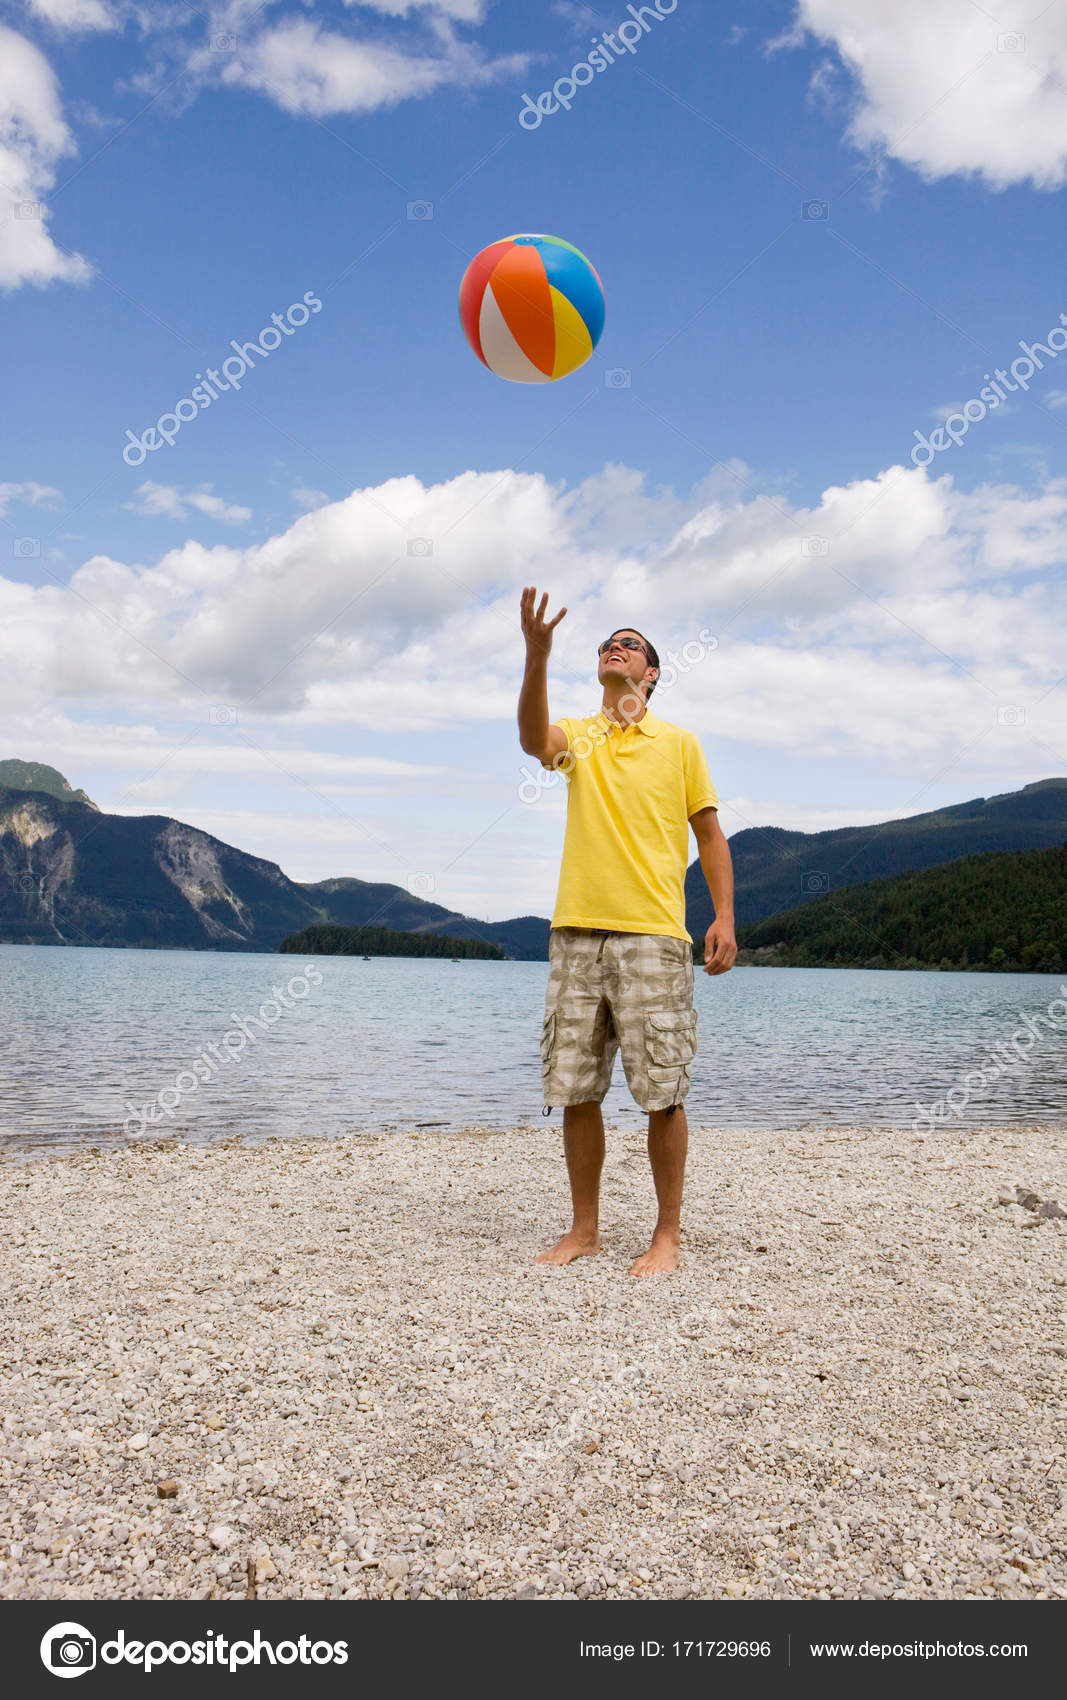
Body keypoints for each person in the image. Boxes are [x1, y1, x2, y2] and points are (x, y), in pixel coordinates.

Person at [518, 587, 736, 1276]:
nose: (617, 645)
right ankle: (584, 1231)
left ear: (650, 676)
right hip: (576, 934)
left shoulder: (678, 745)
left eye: (632, 644)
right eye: (609, 642)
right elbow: (531, 740)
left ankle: (665, 1237)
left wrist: (723, 916)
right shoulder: (579, 735)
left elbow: (708, 833)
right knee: (576, 1088)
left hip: (652, 936)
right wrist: (536, 655)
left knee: (661, 1092)